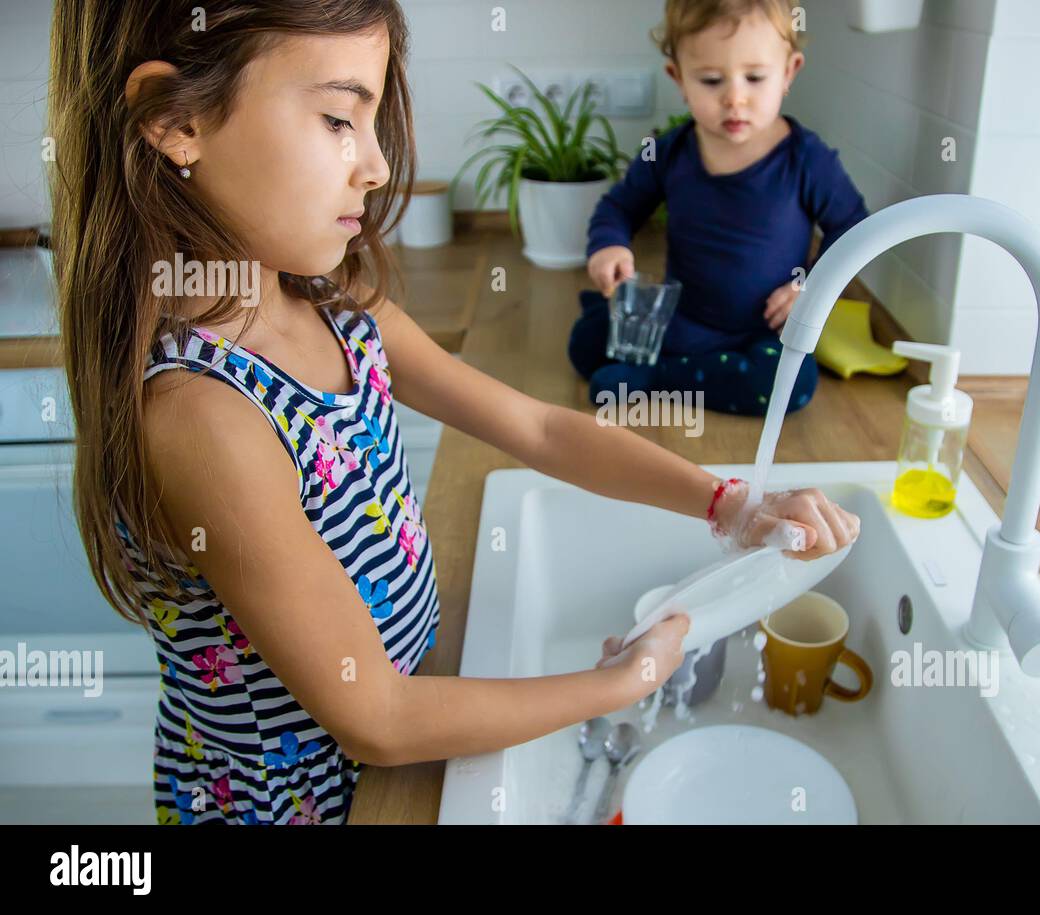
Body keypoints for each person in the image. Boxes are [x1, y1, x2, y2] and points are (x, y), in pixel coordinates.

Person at [47, 0, 862, 824]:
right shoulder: (203, 412)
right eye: (338, 118)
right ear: (174, 120)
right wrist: (626, 679)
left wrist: (729, 503)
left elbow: (538, 428)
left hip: (405, 728)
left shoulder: (334, 302)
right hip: (308, 807)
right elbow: (377, 719)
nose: (373, 165)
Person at [569, 0, 870, 416]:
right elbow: (619, 207)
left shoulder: (807, 159)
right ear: (679, 79)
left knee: (790, 385)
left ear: (789, 72)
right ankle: (680, 370)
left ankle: (655, 382)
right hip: (681, 320)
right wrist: (609, 246)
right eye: (711, 80)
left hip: (763, 330)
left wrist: (812, 289)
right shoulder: (667, 152)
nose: (735, 99)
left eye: (755, 78)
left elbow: (854, 230)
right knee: (585, 343)